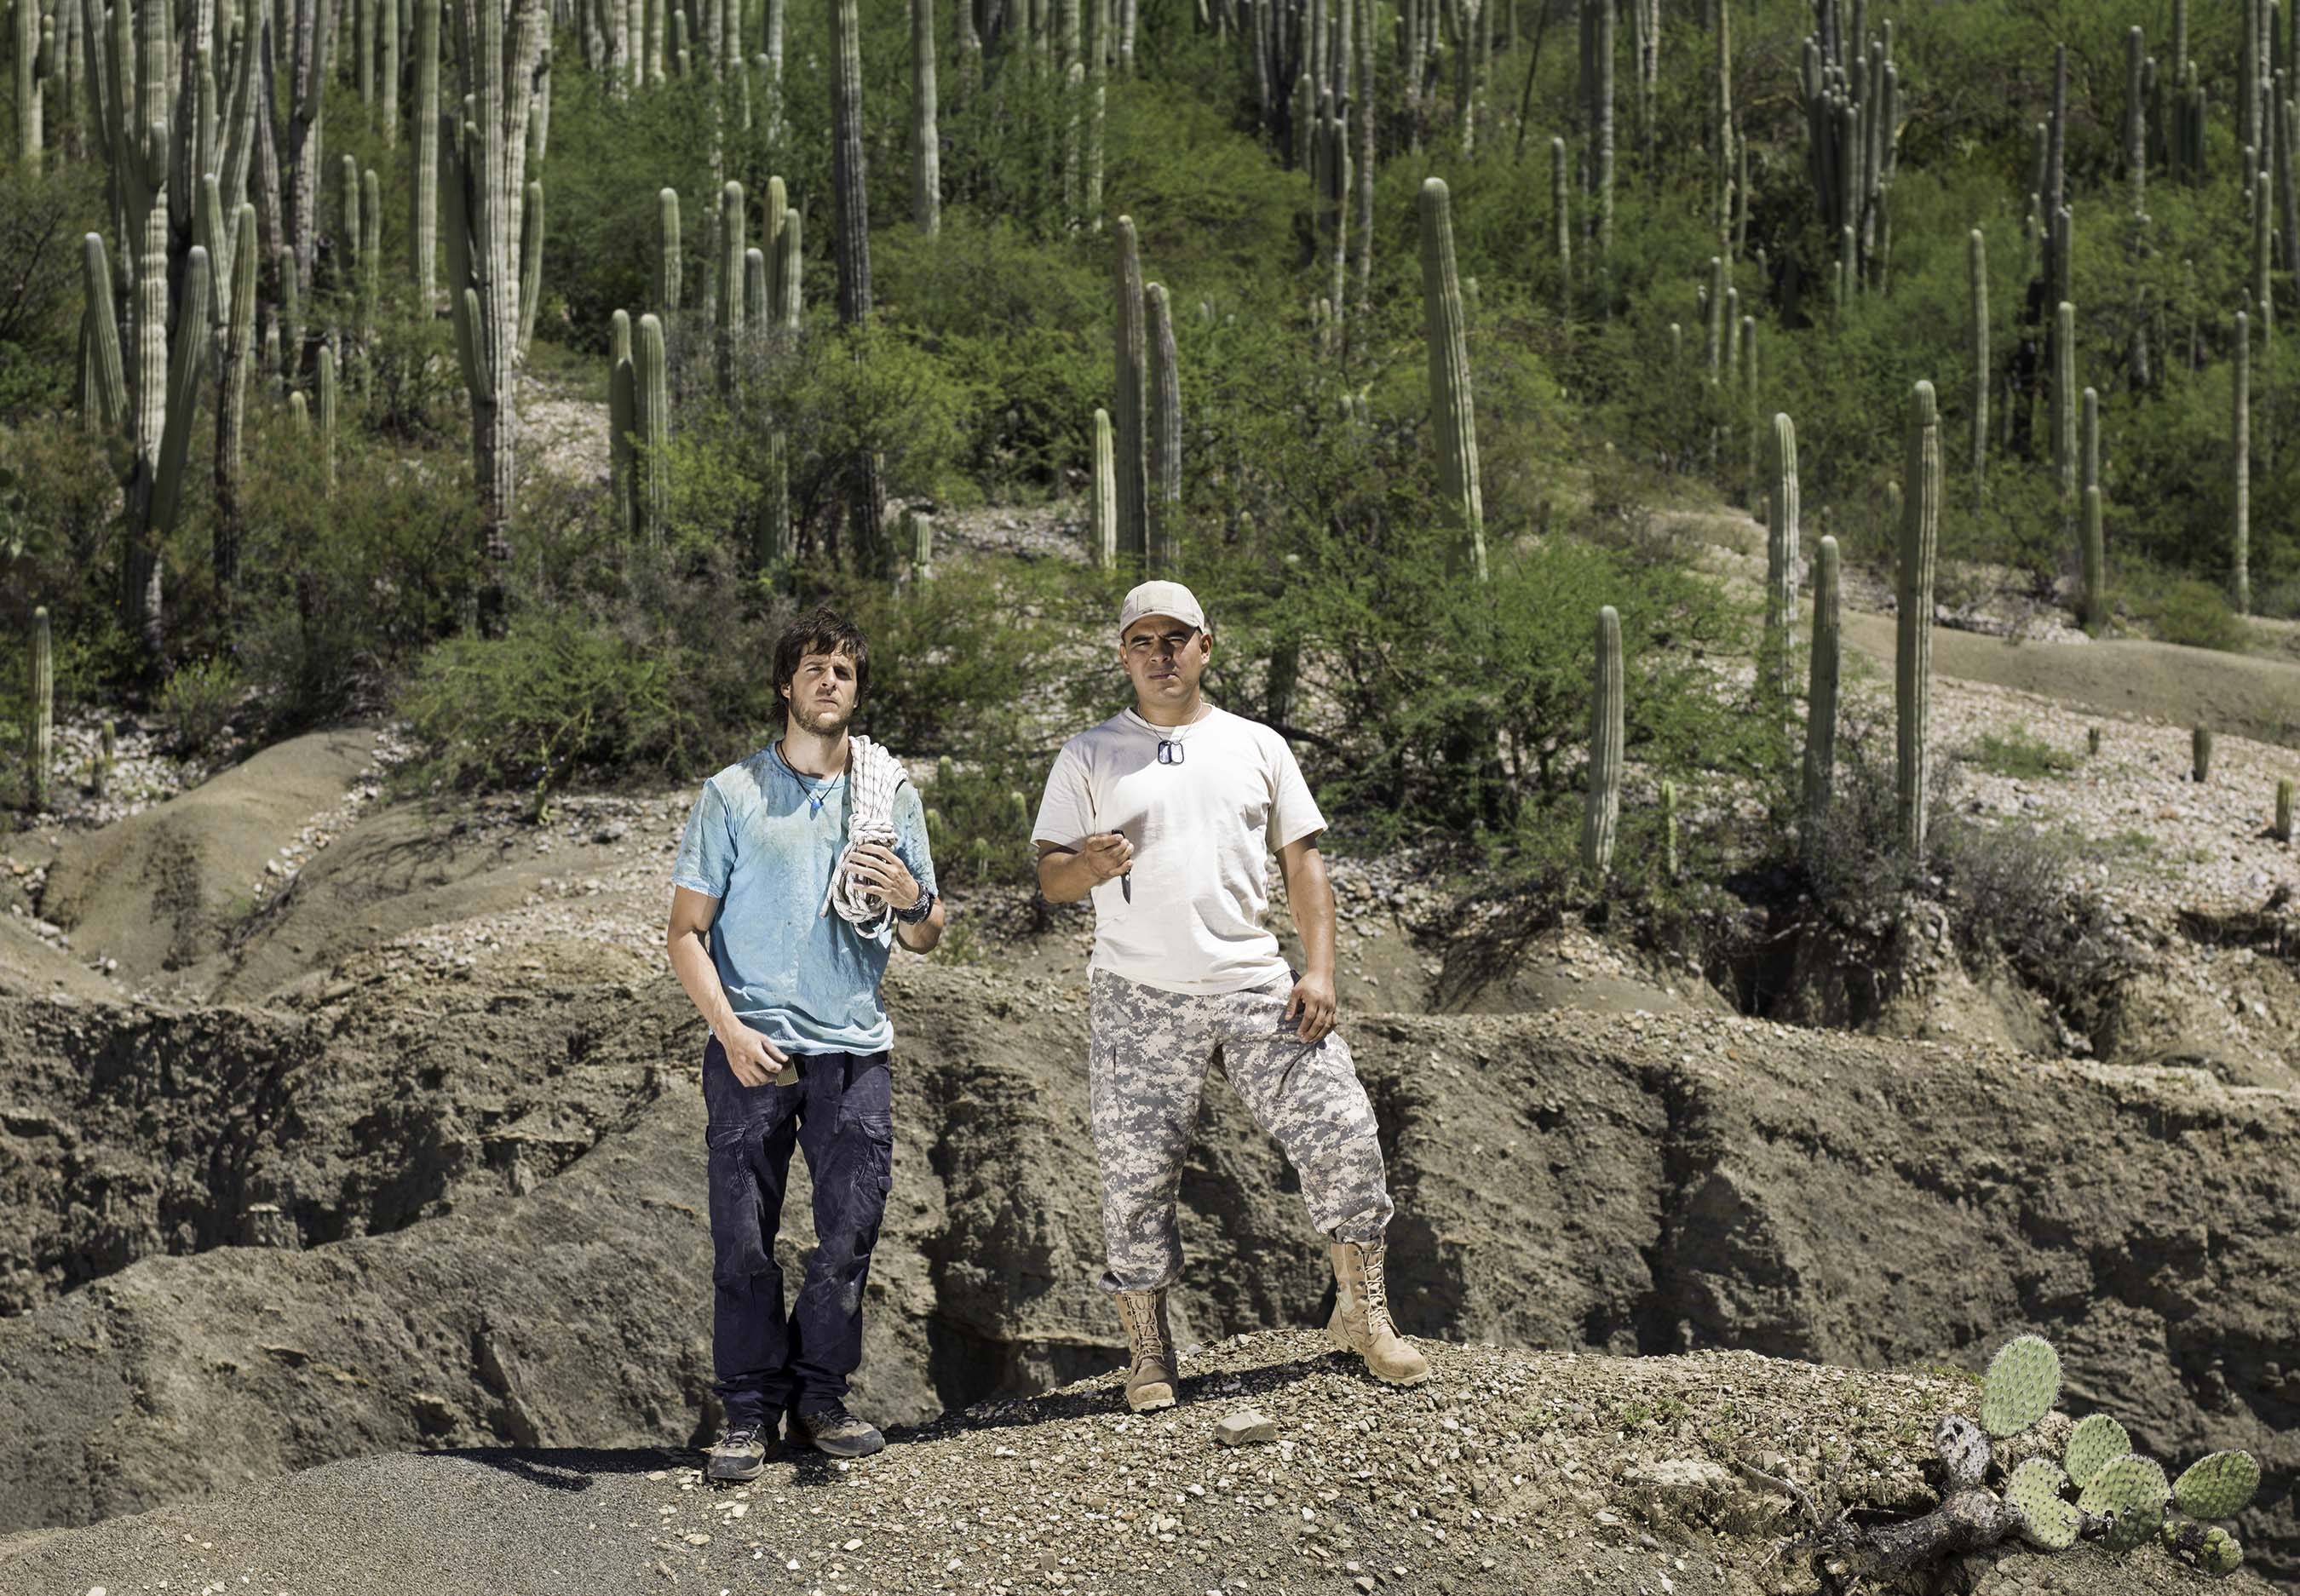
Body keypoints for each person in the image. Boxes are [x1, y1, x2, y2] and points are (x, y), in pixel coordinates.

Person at [1030, 579, 1429, 1414]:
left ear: (1206, 646)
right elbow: (1051, 878)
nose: (1161, 653)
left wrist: (1319, 971)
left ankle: (1365, 1315)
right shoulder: (1089, 754)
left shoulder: (1258, 745)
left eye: (1176, 637)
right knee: (1136, 1177)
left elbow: (1304, 863)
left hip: (1256, 984)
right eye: (1143, 640)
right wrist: (1089, 865)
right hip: (1139, 994)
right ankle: (1147, 1352)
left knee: (1344, 1129)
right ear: (1123, 655)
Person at [668, 607, 944, 1481]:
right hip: (751, 1048)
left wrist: (909, 895)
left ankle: (819, 1397)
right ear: (786, 685)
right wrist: (728, 1028)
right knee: (743, 1238)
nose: (832, 680)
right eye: (816, 667)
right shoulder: (731, 795)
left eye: (847, 670)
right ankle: (747, 1412)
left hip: (853, 1049)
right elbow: (683, 932)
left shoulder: (889, 795)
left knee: (849, 1230)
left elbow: (930, 931)